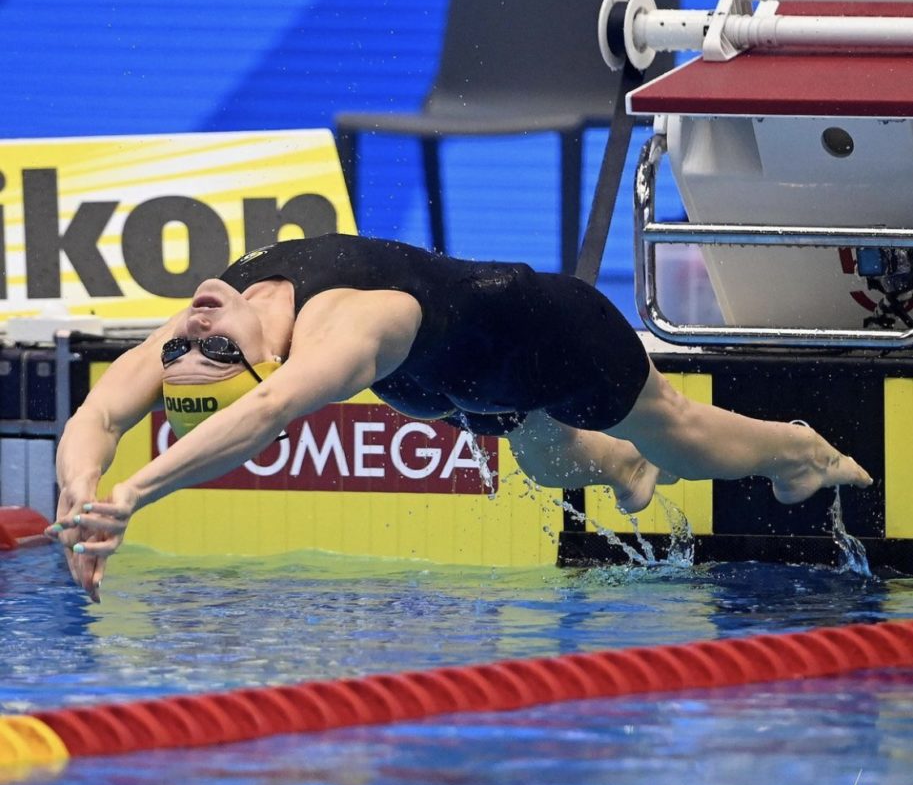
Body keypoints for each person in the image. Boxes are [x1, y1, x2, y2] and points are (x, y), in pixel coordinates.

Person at [47, 233, 871, 600]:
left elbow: (229, 411)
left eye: (193, 349)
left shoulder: (346, 327)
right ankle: (620, 465)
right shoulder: (302, 339)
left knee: (680, 438)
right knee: (548, 465)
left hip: (546, 332)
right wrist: (82, 496)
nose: (191, 335)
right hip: (450, 382)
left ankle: (795, 453)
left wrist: (123, 497)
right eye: (210, 352)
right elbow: (114, 414)